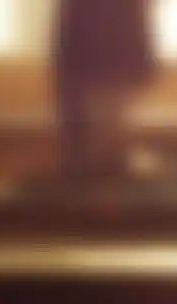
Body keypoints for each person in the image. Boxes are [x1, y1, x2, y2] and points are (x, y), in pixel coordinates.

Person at [53, 0, 156, 180]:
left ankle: (104, 159)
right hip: (98, 62)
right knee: (104, 108)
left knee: (108, 107)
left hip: (102, 62)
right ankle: (101, 160)